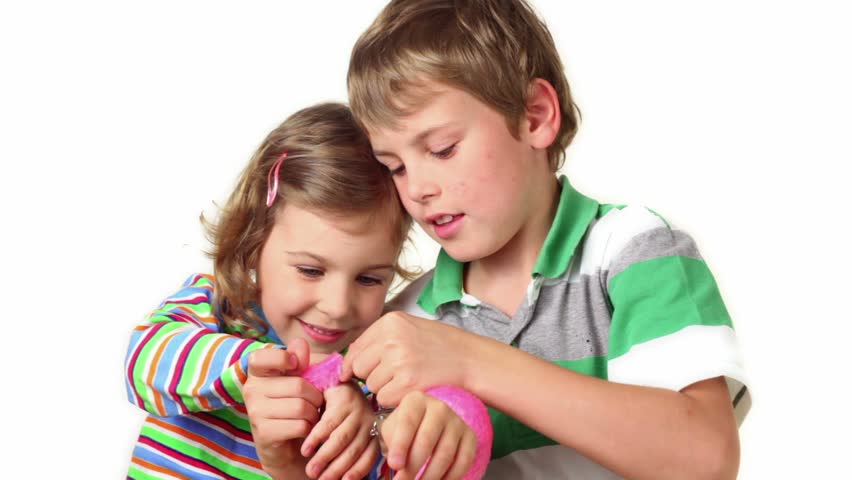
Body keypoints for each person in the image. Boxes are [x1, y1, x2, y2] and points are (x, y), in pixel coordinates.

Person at [339, 1, 751, 478]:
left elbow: (705, 458)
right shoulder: (407, 324)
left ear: (535, 116)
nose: (417, 188)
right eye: (395, 167)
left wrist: (470, 362)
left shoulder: (630, 250)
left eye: (442, 149)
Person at [124, 103, 476, 480]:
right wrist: (290, 370)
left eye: (369, 279)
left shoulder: (371, 382)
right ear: (254, 241)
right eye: (310, 270)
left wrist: (371, 430)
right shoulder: (214, 305)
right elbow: (144, 364)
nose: (338, 306)